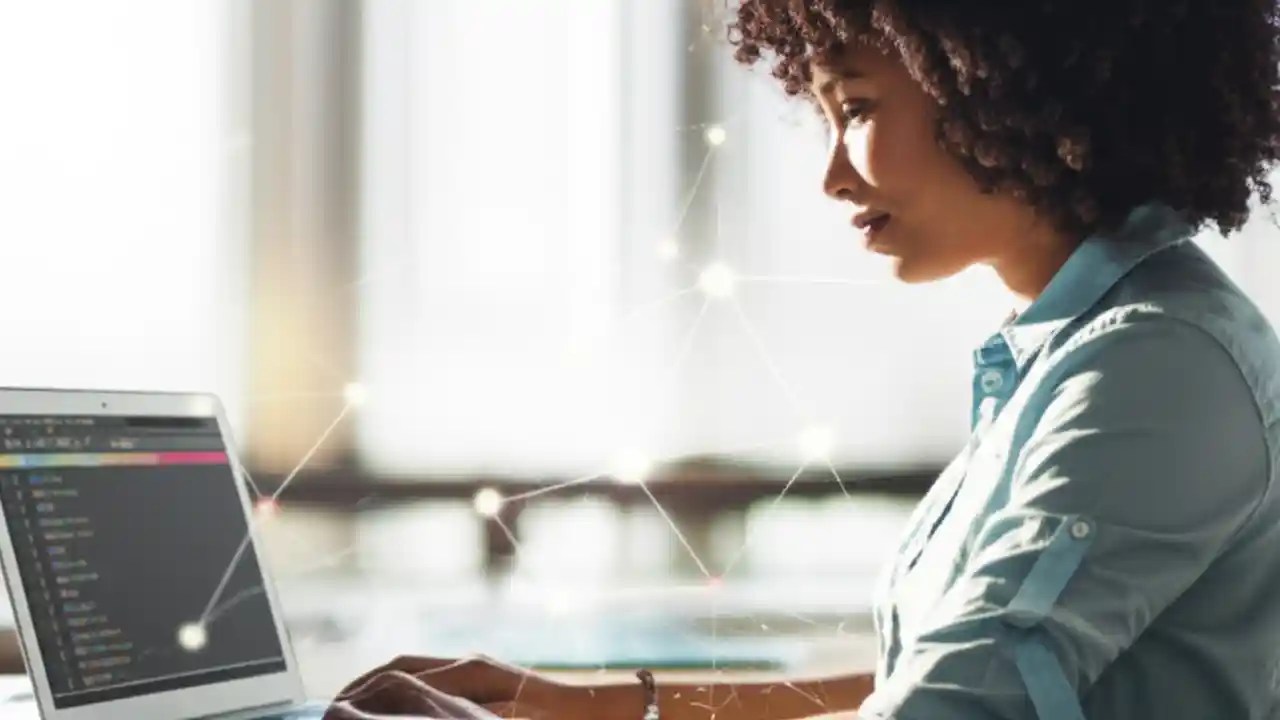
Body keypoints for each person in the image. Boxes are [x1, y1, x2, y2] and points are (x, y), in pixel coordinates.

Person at [326, 0, 1280, 718]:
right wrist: (590, 703)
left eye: (854, 108)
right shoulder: (1077, 349)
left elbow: (955, 710)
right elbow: (929, 682)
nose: (831, 175)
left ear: (992, 81)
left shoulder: (1156, 366)